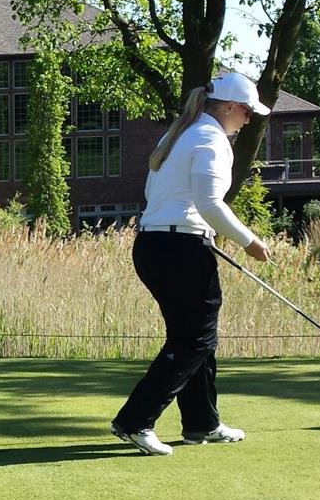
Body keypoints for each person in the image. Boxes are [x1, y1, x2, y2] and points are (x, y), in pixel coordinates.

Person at [111, 73, 272, 457]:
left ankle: (202, 422)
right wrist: (249, 241)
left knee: (197, 336)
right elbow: (209, 203)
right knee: (193, 339)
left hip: (155, 244)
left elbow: (159, 194)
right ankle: (135, 421)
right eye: (248, 112)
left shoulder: (179, 134)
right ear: (231, 107)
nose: (249, 120)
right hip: (180, 248)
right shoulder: (210, 139)